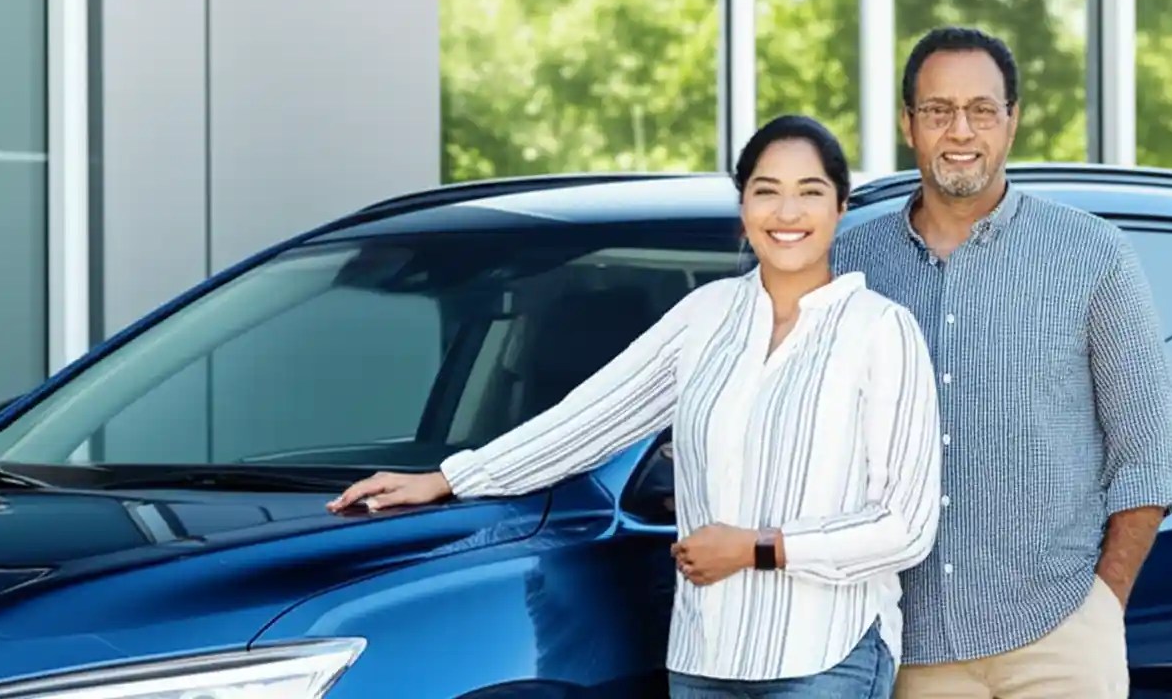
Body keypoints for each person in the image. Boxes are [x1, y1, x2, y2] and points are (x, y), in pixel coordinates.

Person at [328, 114, 943, 697]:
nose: (787, 212)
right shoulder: (705, 317)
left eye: (810, 192)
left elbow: (905, 527)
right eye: (766, 191)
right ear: (744, 207)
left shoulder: (880, 331)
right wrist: (445, 478)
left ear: (840, 207)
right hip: (706, 655)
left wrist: (759, 547)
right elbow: (586, 421)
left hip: (827, 656)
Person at [832, 26, 1172, 698]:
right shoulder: (852, 267)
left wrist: (1103, 604)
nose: (960, 131)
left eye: (981, 110)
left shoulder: (1092, 256)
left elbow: (1147, 454)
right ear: (910, 124)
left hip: (1062, 635)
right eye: (938, 110)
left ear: (1011, 121)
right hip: (911, 644)